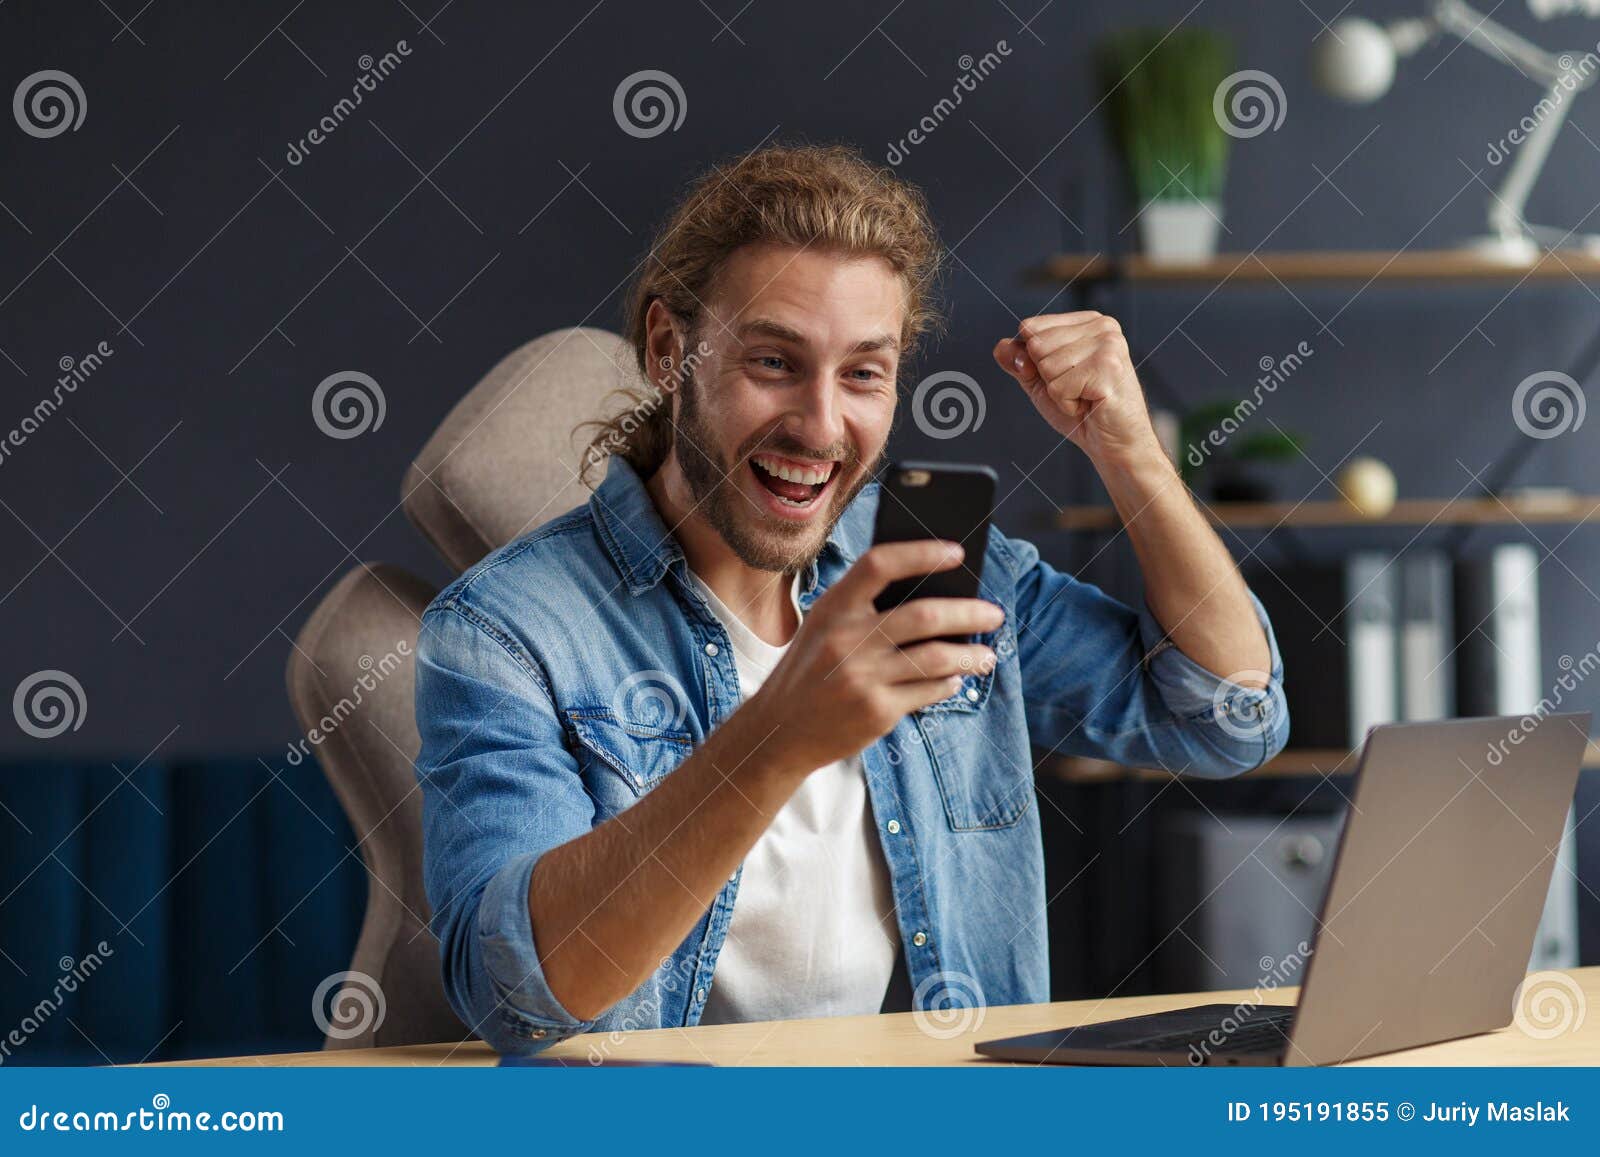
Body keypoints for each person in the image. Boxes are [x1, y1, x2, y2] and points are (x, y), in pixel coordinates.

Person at [413, 143, 1287, 1055]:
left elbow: (1228, 716)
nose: (822, 426)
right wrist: (781, 733)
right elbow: (522, 1001)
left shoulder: (936, 564)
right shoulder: (504, 635)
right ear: (671, 351)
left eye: (863, 373)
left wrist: (1131, 451)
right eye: (774, 362)